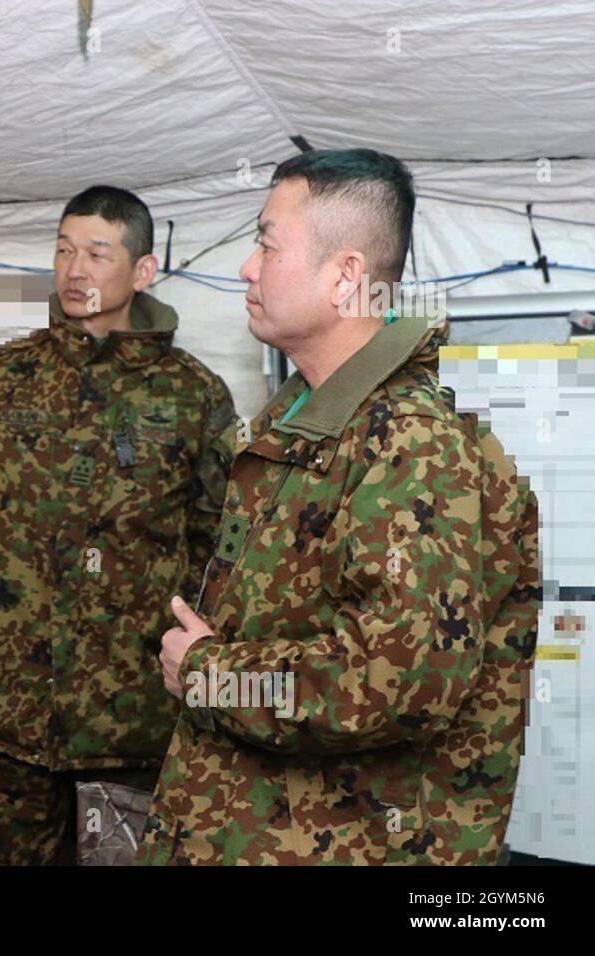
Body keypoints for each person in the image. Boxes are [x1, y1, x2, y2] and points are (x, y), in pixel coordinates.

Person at [138, 148, 540, 865]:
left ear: (345, 275)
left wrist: (206, 671)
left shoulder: (412, 447)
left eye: (266, 243)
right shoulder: (304, 425)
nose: (246, 267)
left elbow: (397, 680)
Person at [0, 185, 237, 865]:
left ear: (142, 271)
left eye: (97, 253)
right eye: (63, 249)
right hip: (8, 702)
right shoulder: (6, 376)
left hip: (130, 710)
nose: (75, 269)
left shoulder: (192, 392)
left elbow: (216, 544)